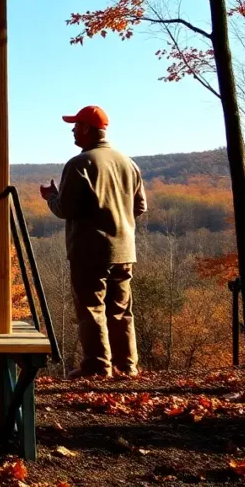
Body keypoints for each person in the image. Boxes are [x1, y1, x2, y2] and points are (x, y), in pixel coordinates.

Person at [40, 105, 147, 379]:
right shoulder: (128, 163)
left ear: (87, 128)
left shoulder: (80, 164)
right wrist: (118, 220)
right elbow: (140, 207)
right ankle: (127, 366)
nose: (73, 130)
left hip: (90, 252)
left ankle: (98, 367)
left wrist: (51, 197)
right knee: (121, 311)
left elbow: (66, 209)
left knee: (91, 308)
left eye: (75, 125)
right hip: (124, 250)